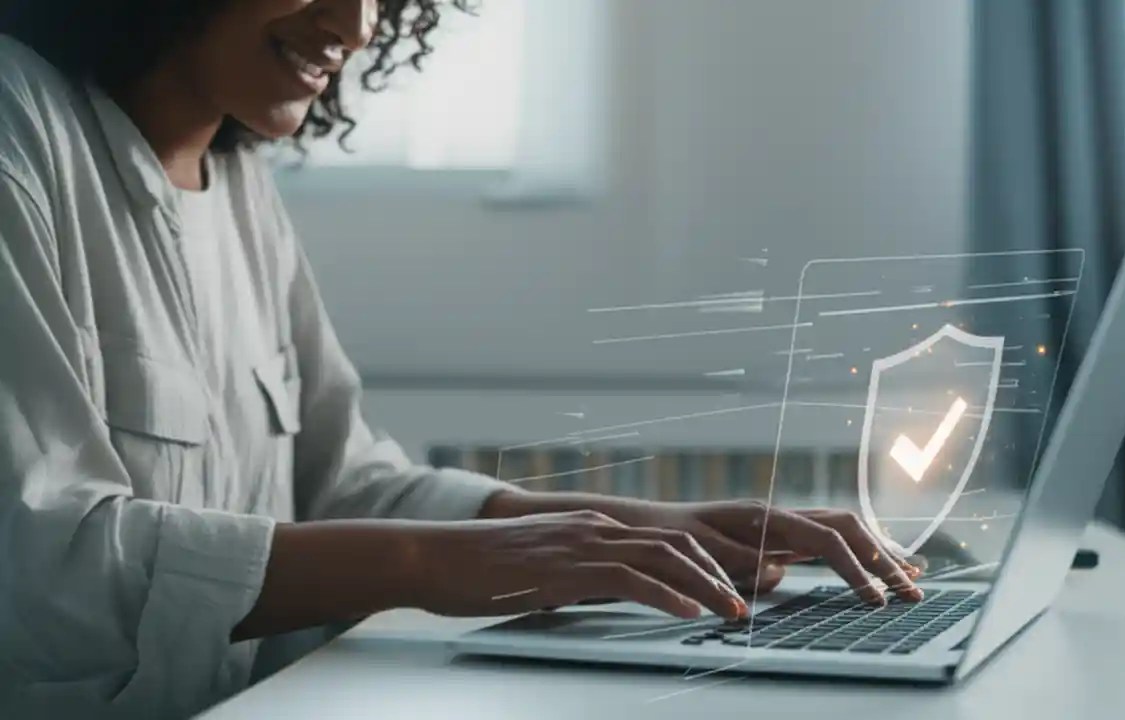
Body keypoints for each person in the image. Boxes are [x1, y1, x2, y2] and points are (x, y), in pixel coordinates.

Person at [0, 1, 921, 716]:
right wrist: (430, 566)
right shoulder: (20, 130)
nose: (356, 26)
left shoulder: (237, 179)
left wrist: (639, 528)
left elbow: (342, 487)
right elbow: (46, 569)